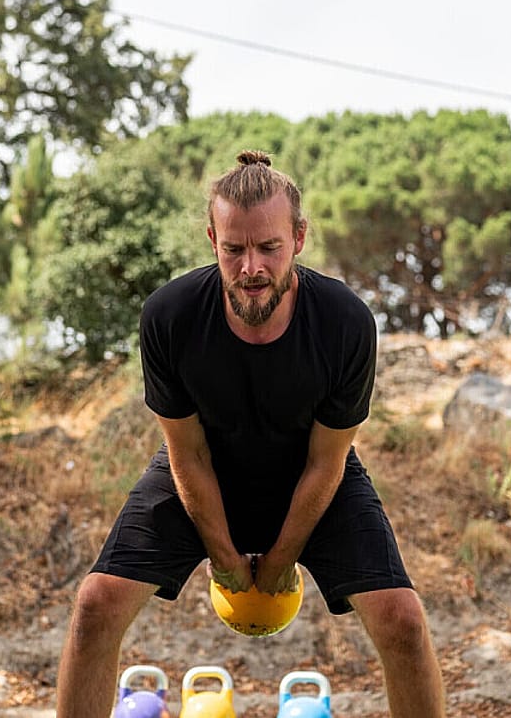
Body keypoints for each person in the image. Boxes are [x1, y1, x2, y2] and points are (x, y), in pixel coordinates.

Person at [56, 150, 445, 718]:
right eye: (233, 249)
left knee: (403, 619)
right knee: (95, 606)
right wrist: (226, 559)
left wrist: (282, 558)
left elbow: (327, 462)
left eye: (269, 247)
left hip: (314, 473)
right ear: (213, 239)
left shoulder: (345, 323)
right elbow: (185, 453)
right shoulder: (169, 317)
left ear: (300, 237)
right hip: (202, 466)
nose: (250, 268)